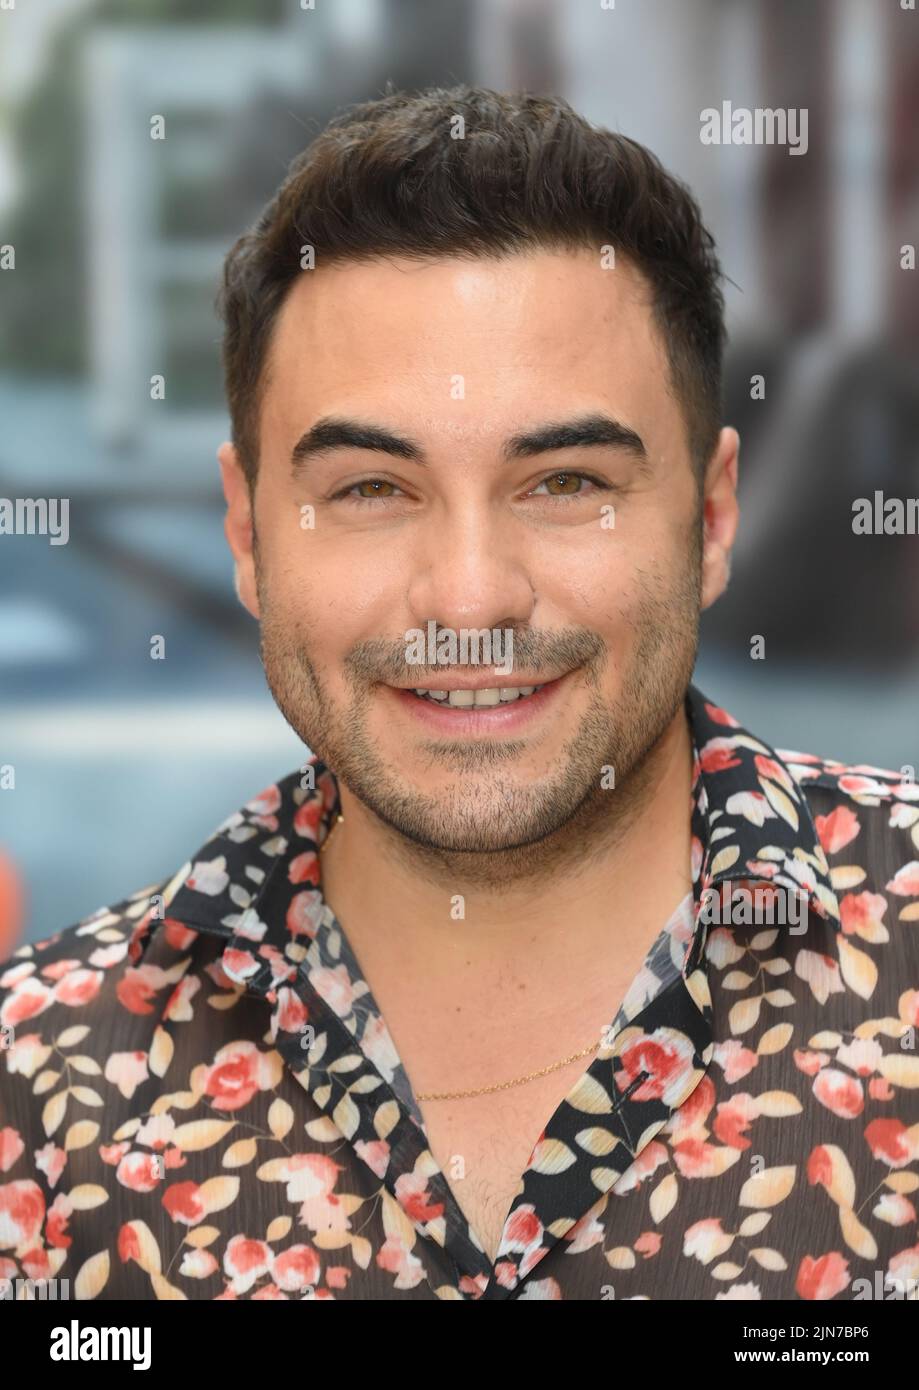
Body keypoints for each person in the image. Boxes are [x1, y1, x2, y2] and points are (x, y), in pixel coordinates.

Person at [2, 86, 917, 1303]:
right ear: (246, 530)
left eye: (564, 481)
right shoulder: (36, 1084)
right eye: (374, 489)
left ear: (709, 517)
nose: (471, 597)